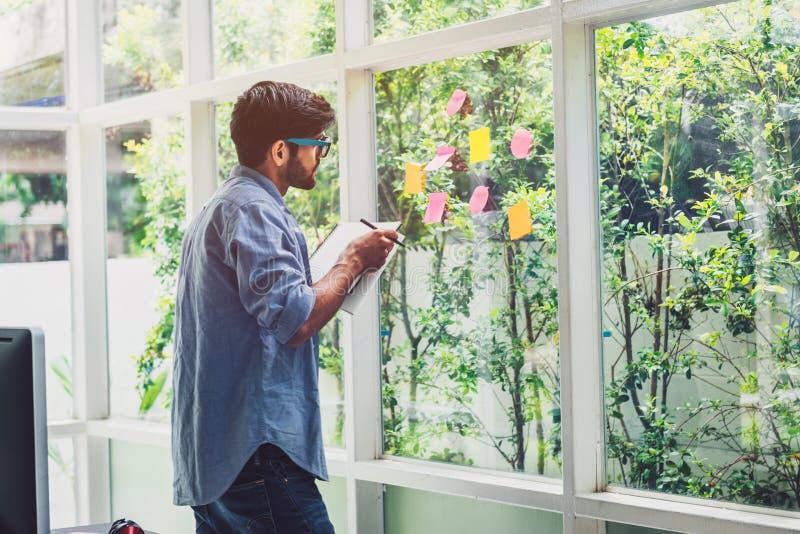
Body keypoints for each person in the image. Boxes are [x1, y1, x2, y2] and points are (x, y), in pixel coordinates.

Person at [171, 80, 398, 533]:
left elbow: (262, 309)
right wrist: (351, 263)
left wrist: (315, 271)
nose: (320, 157)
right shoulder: (255, 210)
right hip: (256, 453)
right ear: (279, 151)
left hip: (216, 456)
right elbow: (295, 320)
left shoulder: (220, 207)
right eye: (317, 146)